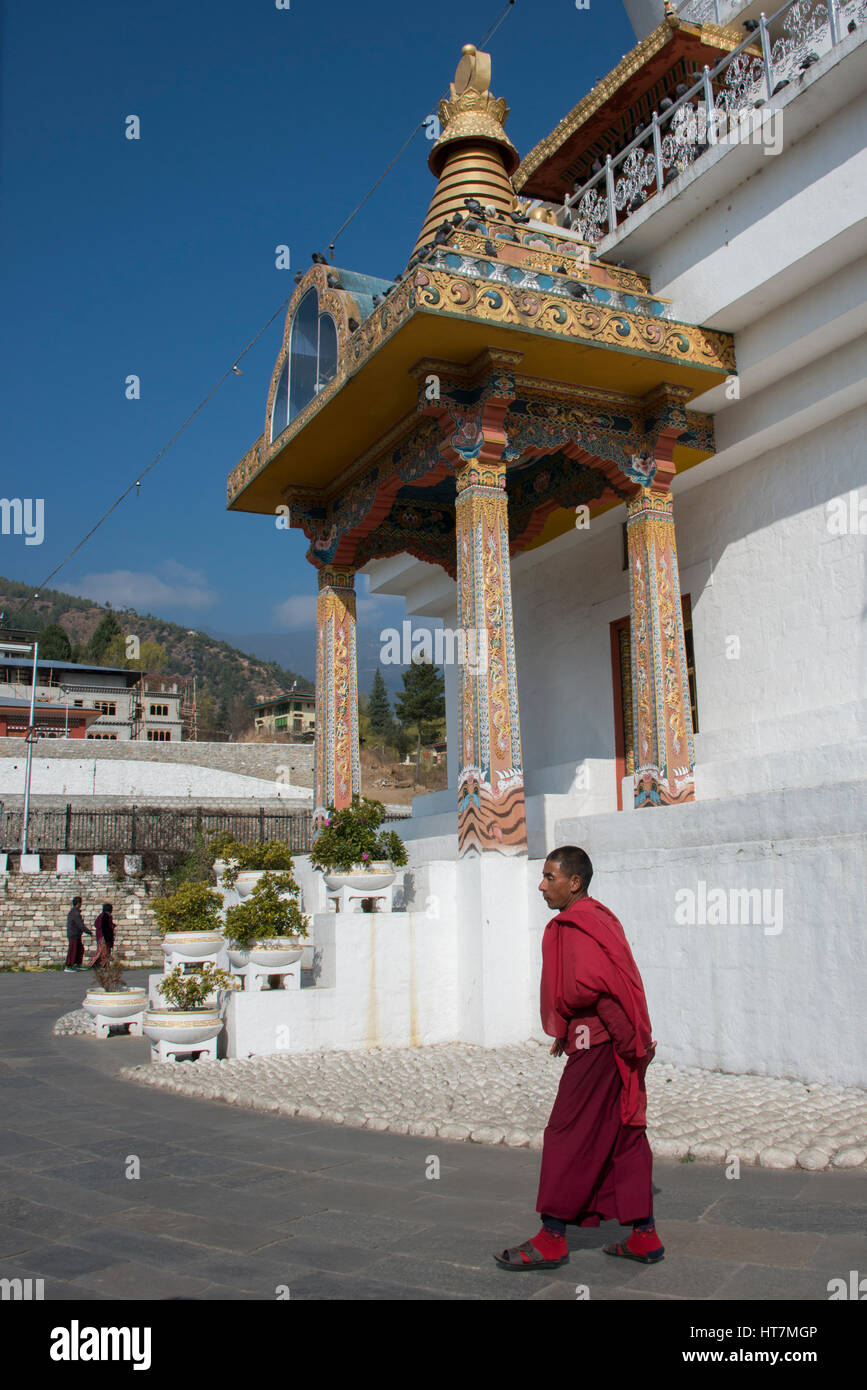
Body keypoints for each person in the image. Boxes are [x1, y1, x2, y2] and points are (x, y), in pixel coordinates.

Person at [494, 845, 663, 1271]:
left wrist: (627, 1046)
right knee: (624, 1133)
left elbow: (601, 991)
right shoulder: (599, 917)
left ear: (574, 883)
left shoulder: (575, 925)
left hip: (602, 1047)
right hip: (610, 1042)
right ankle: (644, 1236)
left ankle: (552, 1237)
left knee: (566, 1132)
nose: (541, 885)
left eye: (550, 877)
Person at [63, 896, 92, 971]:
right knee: (73, 950)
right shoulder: (75, 913)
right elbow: (80, 924)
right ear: (78, 903)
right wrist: (88, 931)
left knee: (80, 949)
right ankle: (68, 966)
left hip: (76, 934)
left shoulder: (75, 912)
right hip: (73, 934)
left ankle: (77, 964)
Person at [89, 903, 115, 968]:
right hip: (104, 936)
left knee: (105, 951)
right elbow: (106, 927)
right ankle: (93, 963)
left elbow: (96, 924)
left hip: (101, 935)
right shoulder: (106, 916)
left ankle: (103, 965)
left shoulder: (101, 916)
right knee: (102, 951)